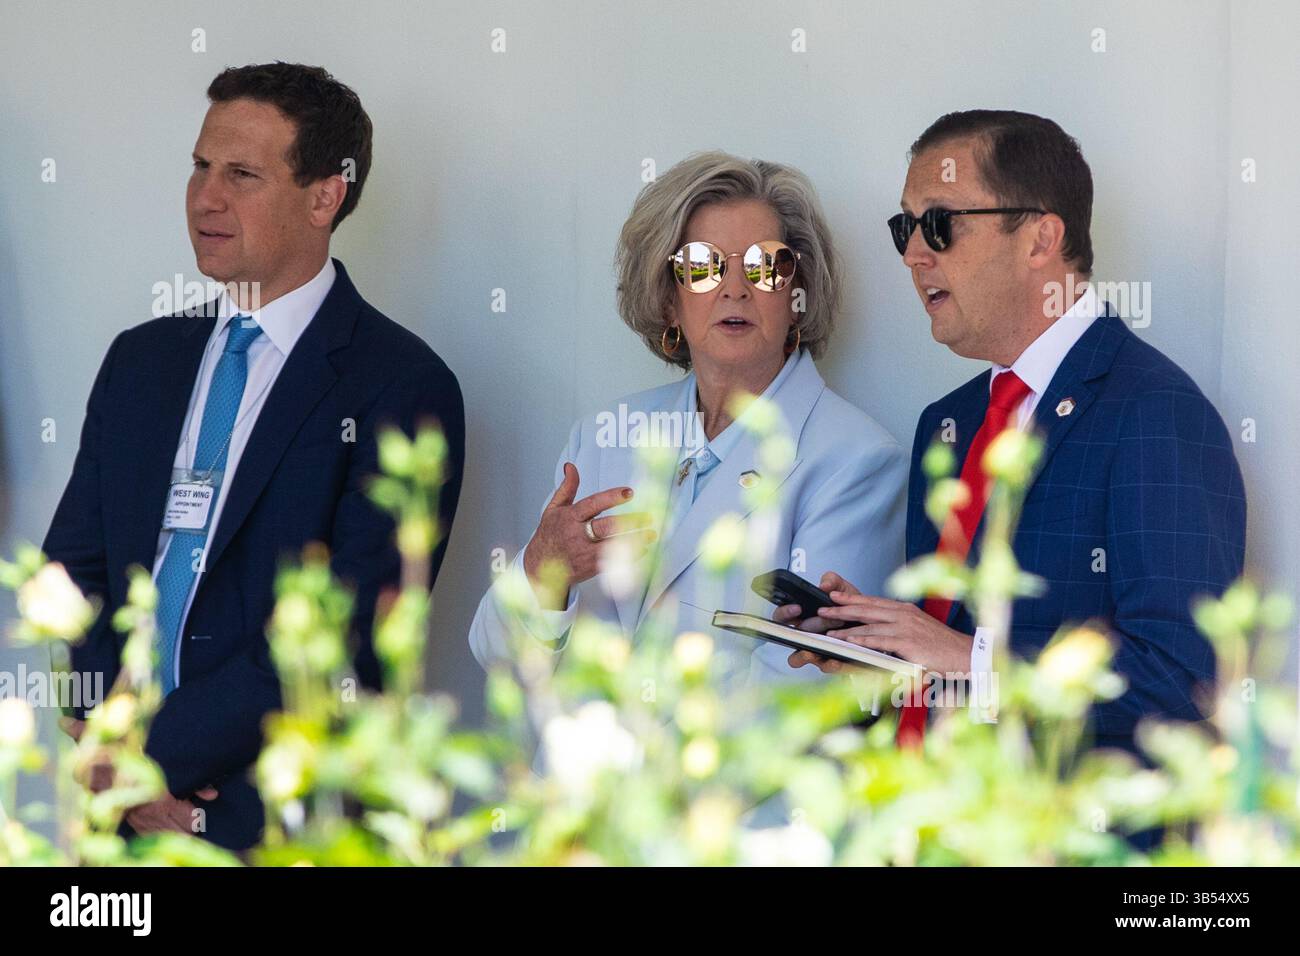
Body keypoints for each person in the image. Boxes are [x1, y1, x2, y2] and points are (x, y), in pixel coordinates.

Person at [42, 62, 465, 851]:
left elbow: (345, 635)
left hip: (271, 824)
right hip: (122, 822)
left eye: (241, 174)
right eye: (201, 167)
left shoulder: (399, 383)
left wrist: (151, 758)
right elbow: (75, 569)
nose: (205, 197)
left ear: (323, 196)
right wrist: (103, 732)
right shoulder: (141, 360)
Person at [785, 110, 1246, 757]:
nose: (915, 254)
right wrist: (875, 648)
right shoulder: (945, 423)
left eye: (940, 224)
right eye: (905, 227)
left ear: (1039, 239)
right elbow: (947, 662)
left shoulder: (1155, 411)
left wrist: (973, 663)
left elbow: (1184, 679)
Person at [469, 151, 906, 689]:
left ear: (798, 295)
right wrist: (542, 571)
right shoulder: (603, 435)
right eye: (702, 265)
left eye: (766, 265)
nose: (735, 288)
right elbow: (500, 661)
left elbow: (805, 698)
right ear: (669, 299)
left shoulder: (855, 460)